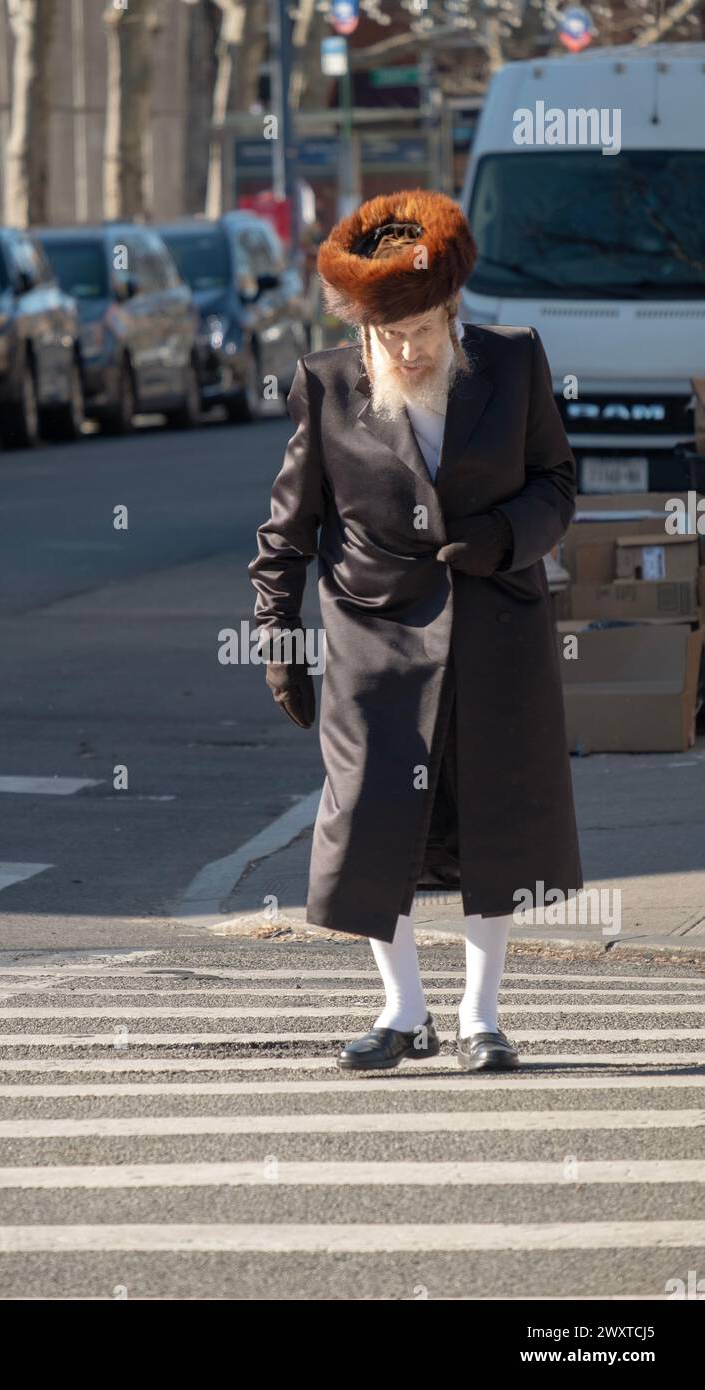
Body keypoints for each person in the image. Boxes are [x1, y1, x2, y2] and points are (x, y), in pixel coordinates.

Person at [248, 187, 583, 1073]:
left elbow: (557, 483)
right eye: (388, 333)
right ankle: (401, 1010)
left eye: (423, 330)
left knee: (492, 818)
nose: (406, 348)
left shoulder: (514, 363)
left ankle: (481, 1019)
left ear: (452, 309)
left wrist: (507, 539)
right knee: (368, 819)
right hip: (371, 634)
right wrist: (277, 637)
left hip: (495, 624)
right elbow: (287, 528)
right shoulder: (324, 382)